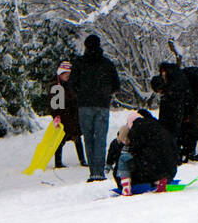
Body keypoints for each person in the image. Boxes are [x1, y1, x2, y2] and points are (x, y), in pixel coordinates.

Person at [69, 35, 120, 182]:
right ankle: (100, 172)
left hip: (84, 105)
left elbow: (72, 84)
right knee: (100, 139)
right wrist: (105, 93)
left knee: (88, 138)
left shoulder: (79, 63)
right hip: (102, 105)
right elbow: (116, 85)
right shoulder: (107, 64)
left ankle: (93, 172)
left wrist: (81, 95)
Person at [126, 109, 180, 191]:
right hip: (170, 169)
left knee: (128, 159)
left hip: (153, 169)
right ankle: (162, 178)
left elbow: (133, 151)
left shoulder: (137, 129)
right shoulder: (160, 127)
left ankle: (151, 179)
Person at [49, 61, 85, 168]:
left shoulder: (72, 86)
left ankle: (82, 159)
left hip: (74, 117)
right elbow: (54, 104)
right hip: (63, 117)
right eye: (66, 75)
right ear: (60, 74)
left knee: (77, 139)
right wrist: (56, 115)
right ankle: (58, 162)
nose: (68, 77)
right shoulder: (57, 87)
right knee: (60, 140)